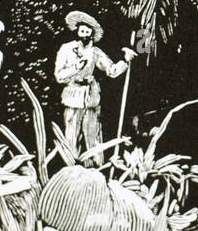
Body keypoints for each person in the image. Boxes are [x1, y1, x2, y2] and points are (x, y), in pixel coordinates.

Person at [54, 11, 137, 161]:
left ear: (92, 33)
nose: (84, 32)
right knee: (71, 138)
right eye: (82, 29)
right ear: (77, 30)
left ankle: (97, 170)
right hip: (73, 98)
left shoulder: (95, 52)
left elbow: (111, 71)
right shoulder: (66, 49)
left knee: (93, 138)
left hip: (91, 99)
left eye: (88, 30)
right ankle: (71, 172)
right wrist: (76, 68)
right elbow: (59, 76)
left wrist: (125, 61)